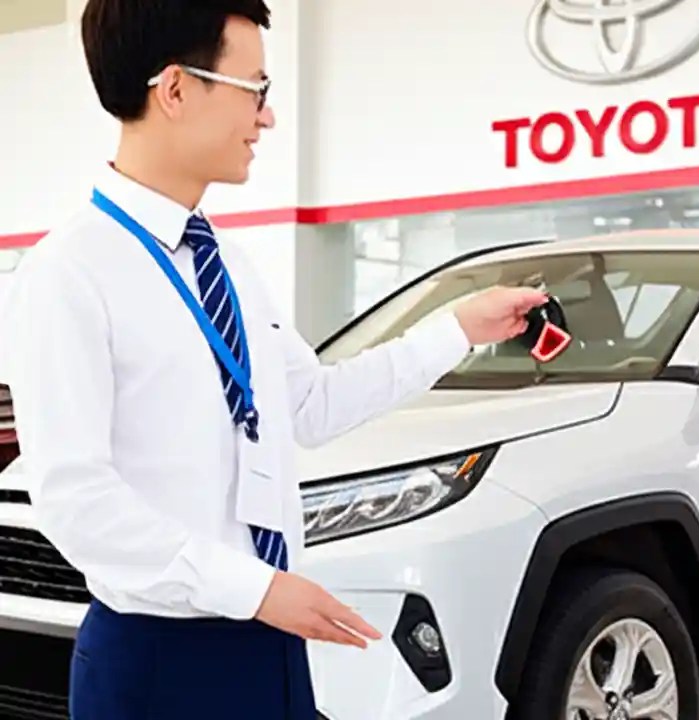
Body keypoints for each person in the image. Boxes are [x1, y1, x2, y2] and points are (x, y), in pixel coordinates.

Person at [0, 2, 546, 718]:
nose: (268, 117)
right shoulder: (67, 273)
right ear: (174, 90)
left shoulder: (223, 261)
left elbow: (308, 405)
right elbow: (77, 500)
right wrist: (255, 589)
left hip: (270, 643)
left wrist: (457, 330)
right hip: (162, 661)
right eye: (254, 89)